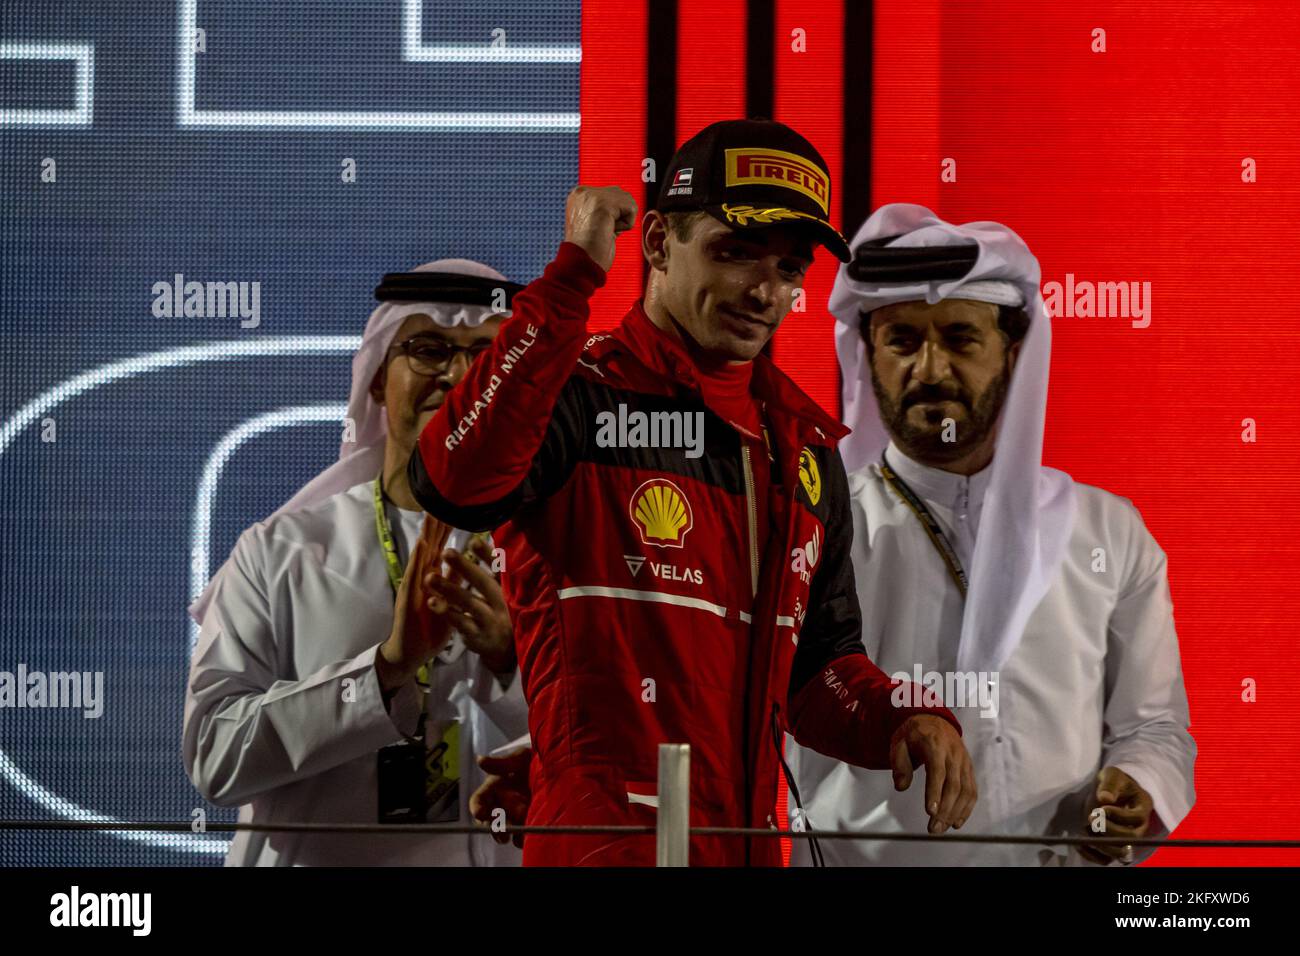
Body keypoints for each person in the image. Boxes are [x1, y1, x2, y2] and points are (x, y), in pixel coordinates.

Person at [407, 120, 975, 867]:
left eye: (788, 264)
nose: (765, 289)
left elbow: (818, 672)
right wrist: (571, 280)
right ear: (656, 245)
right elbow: (454, 480)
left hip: (743, 846)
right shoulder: (579, 396)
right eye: (734, 252)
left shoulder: (803, 449)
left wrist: (902, 719)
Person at [787, 203, 1196, 865]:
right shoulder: (813, 524)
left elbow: (1154, 729)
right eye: (902, 341)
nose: (930, 369)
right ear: (865, 355)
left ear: (1013, 351)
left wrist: (1138, 788)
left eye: (958, 337)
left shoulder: (1107, 530)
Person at [183, 260, 530, 866]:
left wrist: (508, 660)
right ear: (376, 379)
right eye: (429, 349)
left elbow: (615, 756)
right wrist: (386, 670)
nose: (458, 376)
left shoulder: (553, 551)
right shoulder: (281, 551)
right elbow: (215, 756)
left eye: (484, 356)